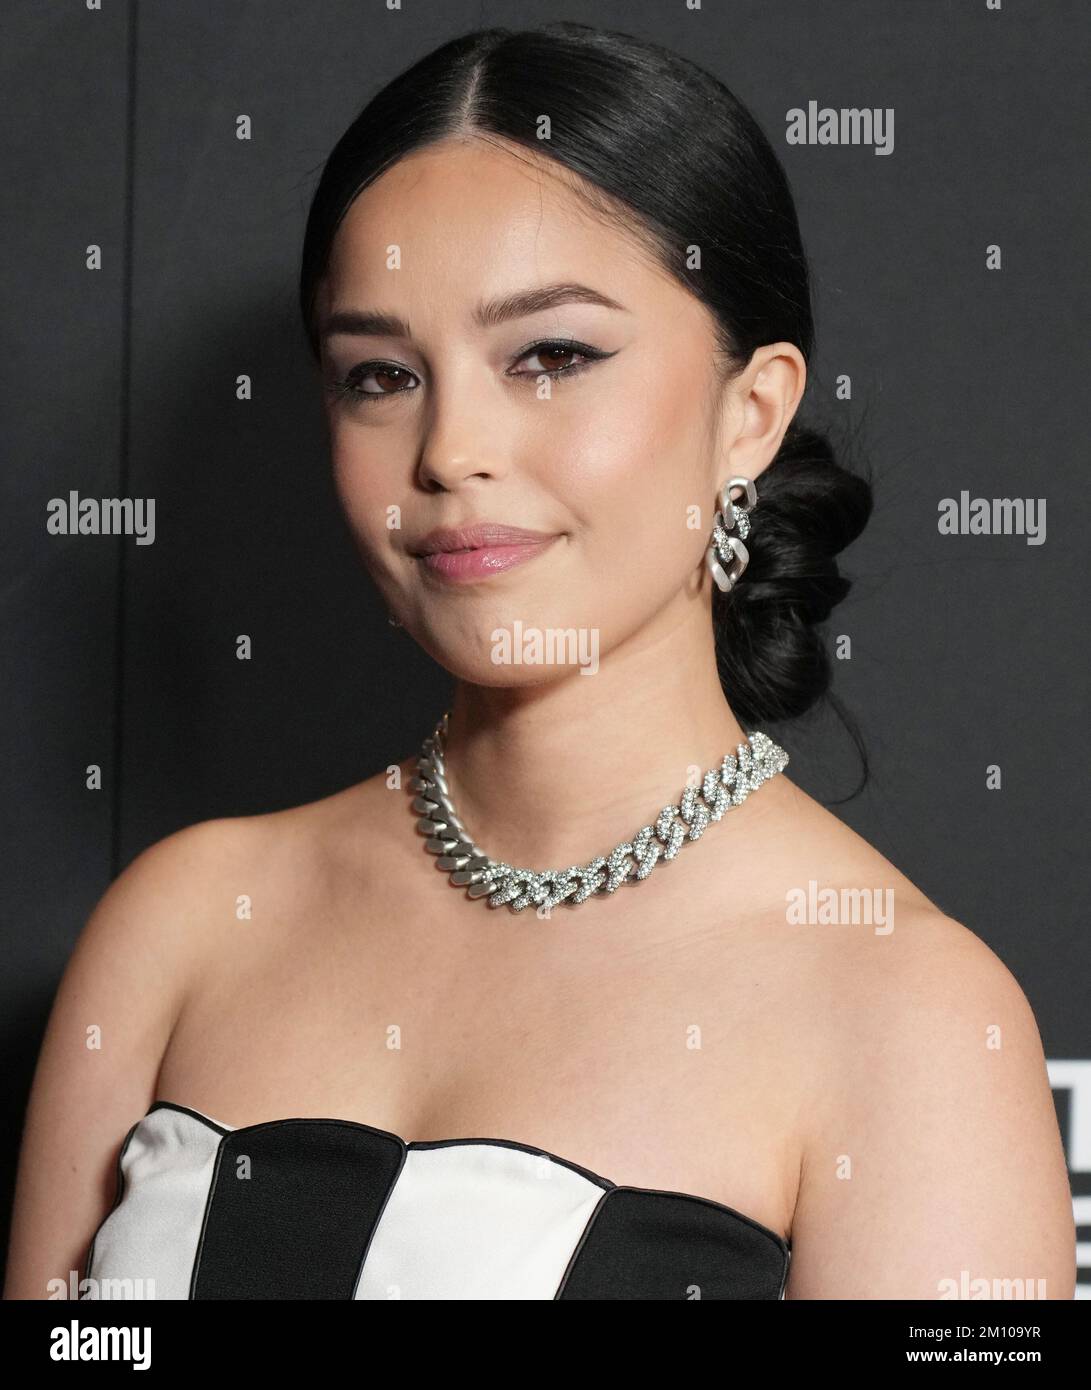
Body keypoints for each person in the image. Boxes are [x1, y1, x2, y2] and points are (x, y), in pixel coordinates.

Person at [4, 22, 1075, 1300]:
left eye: (551, 356)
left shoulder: (908, 1013)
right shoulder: (179, 927)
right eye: (380, 375)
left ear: (750, 412)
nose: (451, 448)